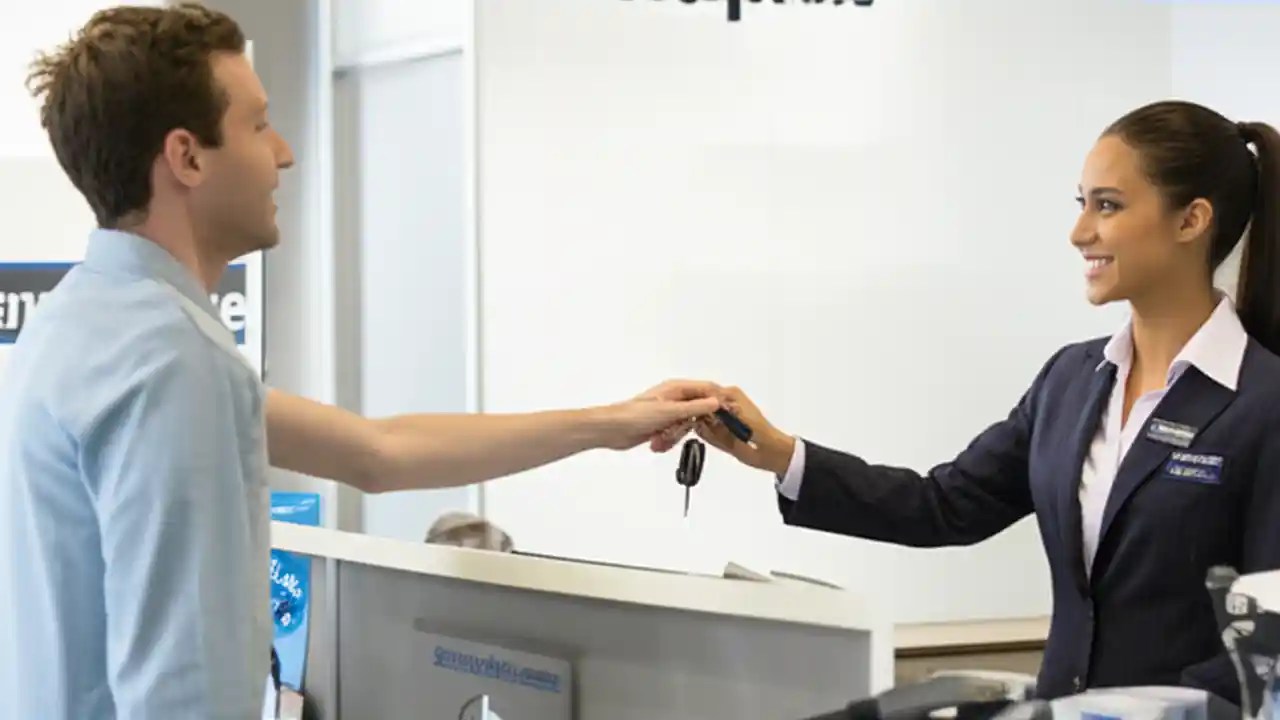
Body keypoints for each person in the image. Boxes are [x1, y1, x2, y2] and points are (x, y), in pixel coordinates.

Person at [0, 5, 720, 719]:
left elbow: (381, 451)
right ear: (187, 156)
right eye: (257, 125)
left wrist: (613, 421)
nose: (283, 151)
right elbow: (180, 698)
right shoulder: (169, 363)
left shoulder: (83, 327)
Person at [696, 99, 1280, 706]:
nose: (1080, 232)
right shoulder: (1072, 380)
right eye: (1081, 204)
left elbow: (1268, 644)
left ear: (1191, 221)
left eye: (1108, 205)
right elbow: (945, 505)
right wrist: (782, 456)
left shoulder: (1264, 405)